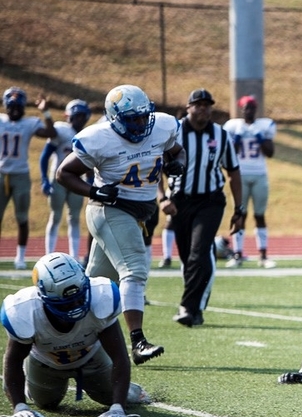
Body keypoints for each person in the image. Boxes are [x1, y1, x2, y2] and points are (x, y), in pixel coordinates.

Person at [56, 84, 181, 364]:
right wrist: (93, 191)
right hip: (110, 209)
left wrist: (175, 163)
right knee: (135, 268)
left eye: (142, 116)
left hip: (138, 213)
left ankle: (70, 339)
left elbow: (176, 151)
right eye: (131, 118)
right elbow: (63, 173)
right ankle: (137, 341)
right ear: (115, 118)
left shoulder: (161, 126)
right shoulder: (100, 138)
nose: (139, 123)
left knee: (96, 283)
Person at [3, 253, 148, 417]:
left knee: (120, 397)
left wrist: (118, 406)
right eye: (66, 303)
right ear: (44, 297)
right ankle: (31, 386)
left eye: (79, 298)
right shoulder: (24, 310)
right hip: (46, 363)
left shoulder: (100, 296)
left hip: (92, 359)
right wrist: (19, 406)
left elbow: (119, 356)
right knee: (46, 403)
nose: (76, 306)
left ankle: (133, 390)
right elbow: (13, 360)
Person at [163, 88, 243, 328]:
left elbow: (234, 172)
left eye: (207, 105)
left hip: (210, 201)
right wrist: (161, 199)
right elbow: (154, 166)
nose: (204, 109)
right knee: (188, 257)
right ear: (188, 108)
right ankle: (195, 308)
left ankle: (188, 306)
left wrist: (239, 210)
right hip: (180, 201)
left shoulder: (221, 135)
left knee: (199, 252)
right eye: (198, 105)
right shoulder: (173, 132)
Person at [1, 87, 58, 269]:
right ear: (5, 106)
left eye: (18, 107)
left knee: (22, 217)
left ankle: (20, 257)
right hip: (1, 173)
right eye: (11, 106)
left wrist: (46, 112)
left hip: (20, 175)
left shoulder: (29, 123)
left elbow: (52, 133)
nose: (14, 110)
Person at [222, 95, 277, 268]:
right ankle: (238, 255)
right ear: (241, 109)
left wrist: (259, 137)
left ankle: (263, 255)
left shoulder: (264, 125)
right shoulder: (233, 126)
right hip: (240, 174)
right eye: (247, 107)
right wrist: (237, 138)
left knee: (259, 215)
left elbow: (270, 152)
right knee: (240, 214)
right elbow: (229, 151)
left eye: (252, 108)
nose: (250, 111)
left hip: (259, 173)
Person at [39, 99, 91, 262]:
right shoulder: (62, 130)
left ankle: (74, 256)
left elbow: (90, 164)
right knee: (55, 216)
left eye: (82, 116)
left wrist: (90, 182)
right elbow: (45, 155)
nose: (80, 120)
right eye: (77, 116)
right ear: (69, 116)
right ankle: (48, 255)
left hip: (77, 180)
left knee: (74, 218)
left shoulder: (89, 135)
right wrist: (44, 179)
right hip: (58, 180)